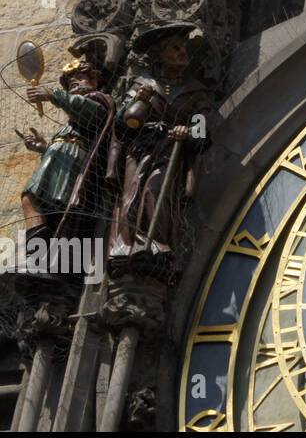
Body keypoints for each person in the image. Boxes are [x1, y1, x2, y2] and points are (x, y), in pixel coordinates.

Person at [106, 24, 214, 267]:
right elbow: (124, 125)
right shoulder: (142, 85)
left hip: (170, 150)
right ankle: (127, 245)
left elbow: (202, 128)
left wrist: (187, 132)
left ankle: (156, 243)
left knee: (156, 192)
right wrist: (139, 101)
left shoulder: (196, 92)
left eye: (184, 47)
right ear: (159, 55)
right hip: (140, 150)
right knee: (131, 197)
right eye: (175, 48)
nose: (182, 52)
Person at [16, 58, 114, 249]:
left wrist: (53, 95)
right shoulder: (71, 120)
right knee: (31, 200)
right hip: (59, 161)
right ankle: (37, 254)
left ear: (94, 81)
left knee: (55, 206)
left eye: (80, 78)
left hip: (76, 163)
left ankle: (42, 254)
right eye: (70, 82)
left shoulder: (99, 101)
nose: (74, 83)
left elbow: (87, 111)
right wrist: (43, 148)